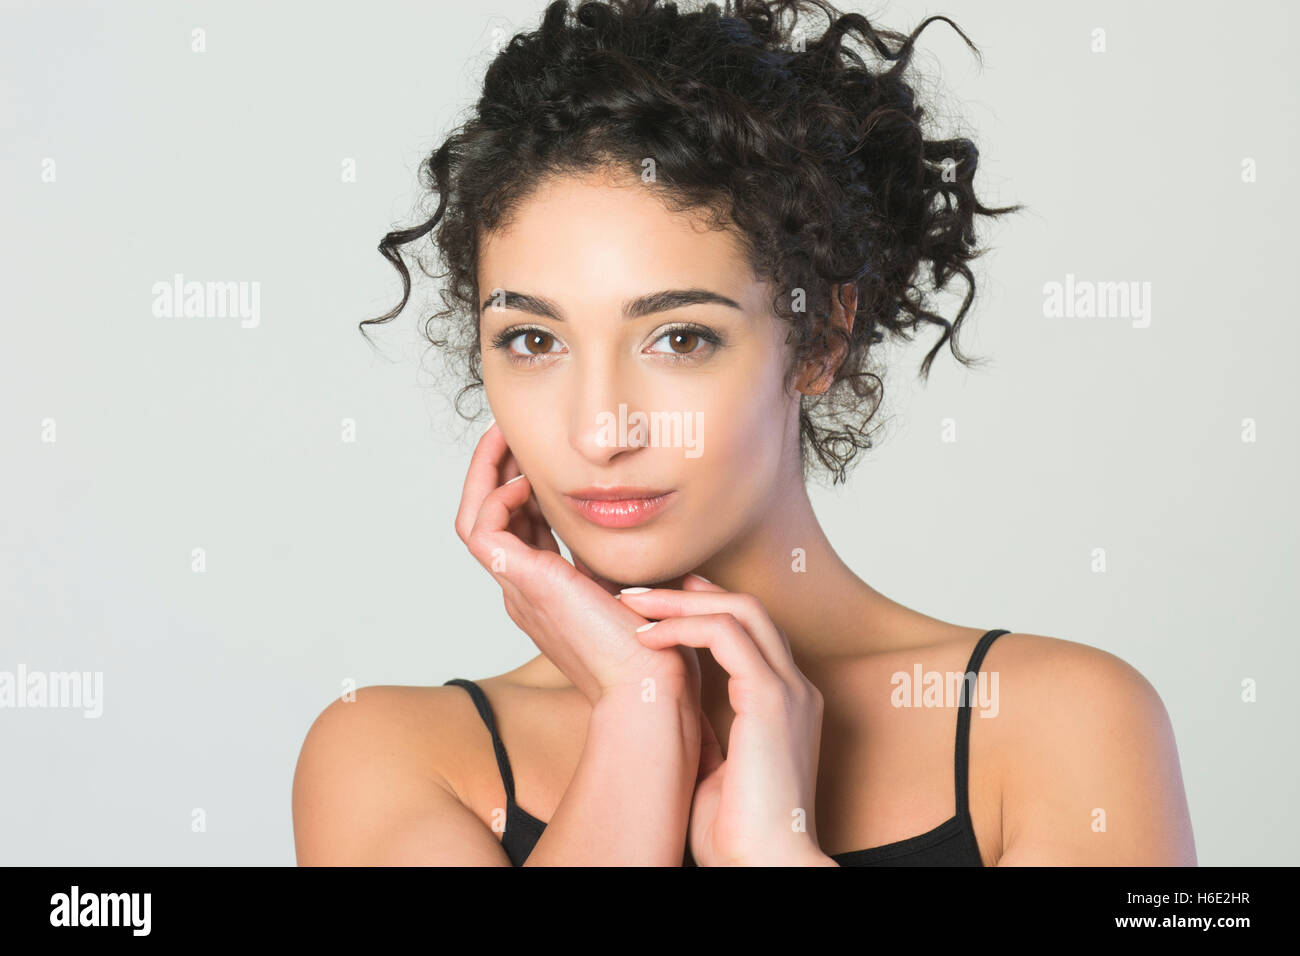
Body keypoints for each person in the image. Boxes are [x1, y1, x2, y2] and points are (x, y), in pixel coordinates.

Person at [292, 0, 1196, 866]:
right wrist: (640, 715)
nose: (601, 431)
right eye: (534, 341)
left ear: (820, 339)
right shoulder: (394, 755)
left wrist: (774, 854)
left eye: (681, 338)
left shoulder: (1055, 723)